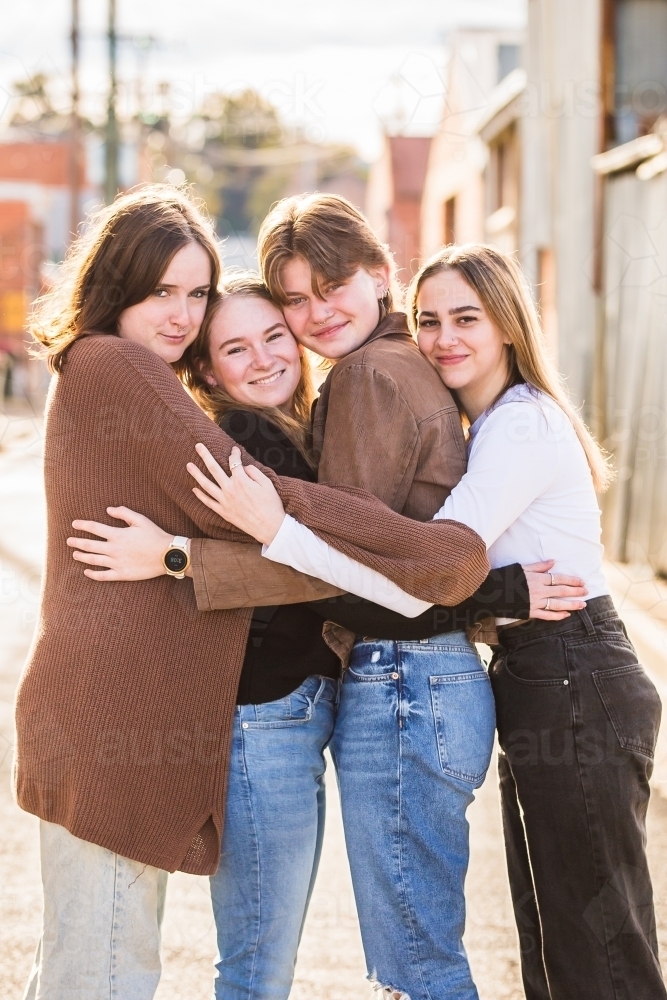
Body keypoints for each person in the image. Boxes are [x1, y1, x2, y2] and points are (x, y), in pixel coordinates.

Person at [96, 194, 585, 1000]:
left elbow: (342, 565)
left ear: (381, 277)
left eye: (329, 290)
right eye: (296, 298)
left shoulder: (364, 377)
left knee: (410, 961)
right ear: (208, 368)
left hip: (404, 679)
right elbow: (357, 559)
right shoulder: (376, 376)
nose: (314, 315)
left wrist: (182, 558)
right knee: (406, 955)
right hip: (399, 682)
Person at [18, 184, 491, 1000]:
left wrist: (199, 546)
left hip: (124, 717)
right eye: (161, 290)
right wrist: (446, 556)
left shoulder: (125, 371)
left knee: (97, 964)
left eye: (195, 292)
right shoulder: (115, 363)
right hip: (111, 722)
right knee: (103, 972)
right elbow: (250, 494)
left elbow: (264, 511)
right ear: (113, 285)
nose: (179, 312)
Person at [195, 242, 665, 1000]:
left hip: (573, 669)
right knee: (556, 937)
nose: (443, 337)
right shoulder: (480, 423)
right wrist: (500, 596)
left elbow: (425, 569)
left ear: (508, 325)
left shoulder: (513, 424)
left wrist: (280, 517)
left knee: (594, 947)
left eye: (466, 319)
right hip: (541, 671)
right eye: (430, 319)